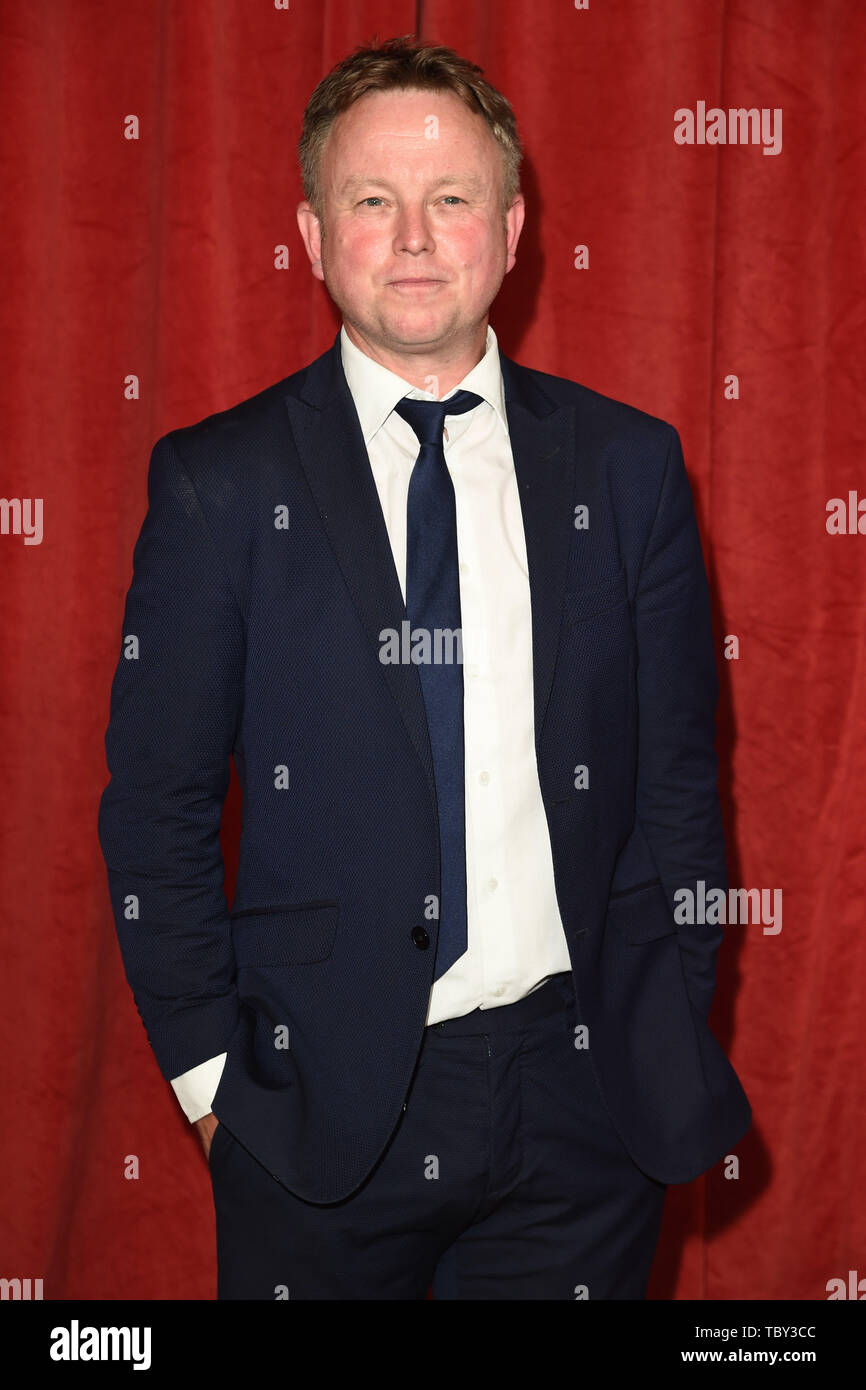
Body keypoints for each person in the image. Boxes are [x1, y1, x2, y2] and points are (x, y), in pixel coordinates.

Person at [98, 34, 751, 1300]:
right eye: (370, 200)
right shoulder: (216, 485)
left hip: (582, 1105)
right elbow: (153, 809)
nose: (411, 236)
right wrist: (211, 1090)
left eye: (449, 198)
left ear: (509, 229)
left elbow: (679, 786)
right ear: (309, 231)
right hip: (314, 1120)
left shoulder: (627, 472)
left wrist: (658, 1023)